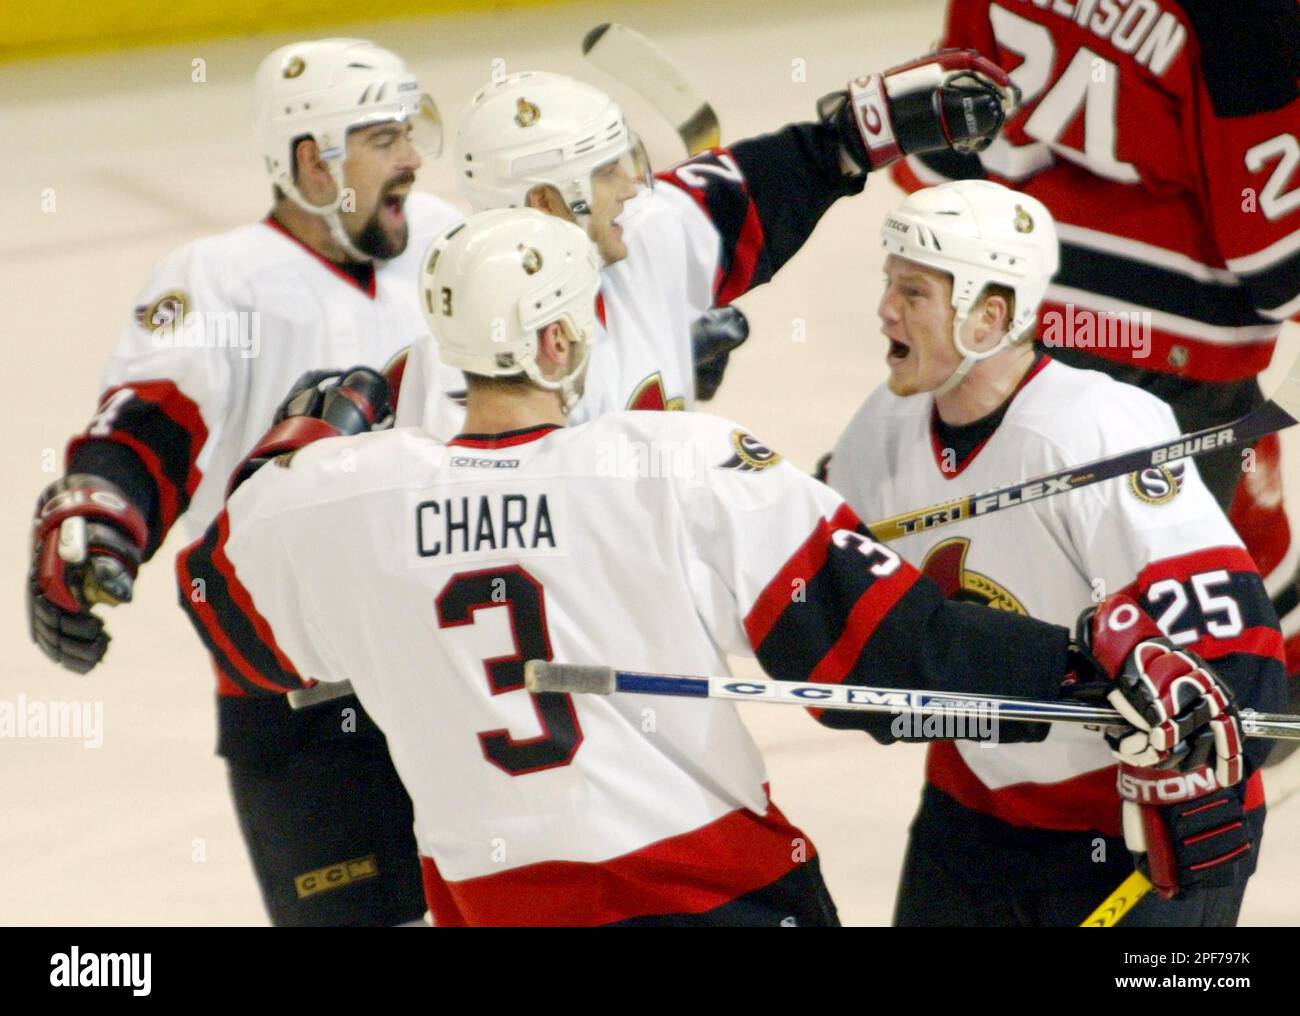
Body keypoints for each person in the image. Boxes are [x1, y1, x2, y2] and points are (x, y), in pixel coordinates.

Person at [176, 207, 1250, 926]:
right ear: (558, 345)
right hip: (721, 900)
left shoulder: (333, 500)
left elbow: (228, 619)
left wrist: (293, 445)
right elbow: (884, 655)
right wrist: (1094, 670)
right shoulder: (681, 464)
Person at [27, 38, 461, 926]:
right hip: (299, 700)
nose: (413, 157)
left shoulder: (460, 244)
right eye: (383, 139)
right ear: (311, 160)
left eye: (408, 133)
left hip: (460, 669)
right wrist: (98, 511)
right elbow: (150, 424)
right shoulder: (219, 282)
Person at [824, 179, 1288, 925]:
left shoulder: (1099, 432)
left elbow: (1234, 636)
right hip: (971, 809)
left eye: (912, 290)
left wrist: (1205, 747)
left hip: (1136, 823)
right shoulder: (880, 429)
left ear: (989, 314)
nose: (885, 307)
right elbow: (821, 586)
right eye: (889, 282)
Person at [889, 0, 1300, 733]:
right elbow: (1273, 255)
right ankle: (1223, 721)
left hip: (1022, 322)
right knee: (1183, 614)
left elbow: (938, 149)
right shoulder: (1247, 17)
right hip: (1178, 354)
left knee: (1053, 571)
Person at [394, 52, 1024, 434]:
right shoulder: (472, 351)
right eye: (605, 172)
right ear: (545, 205)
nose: (631, 191)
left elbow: (760, 189)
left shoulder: (634, 240)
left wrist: (856, 138)